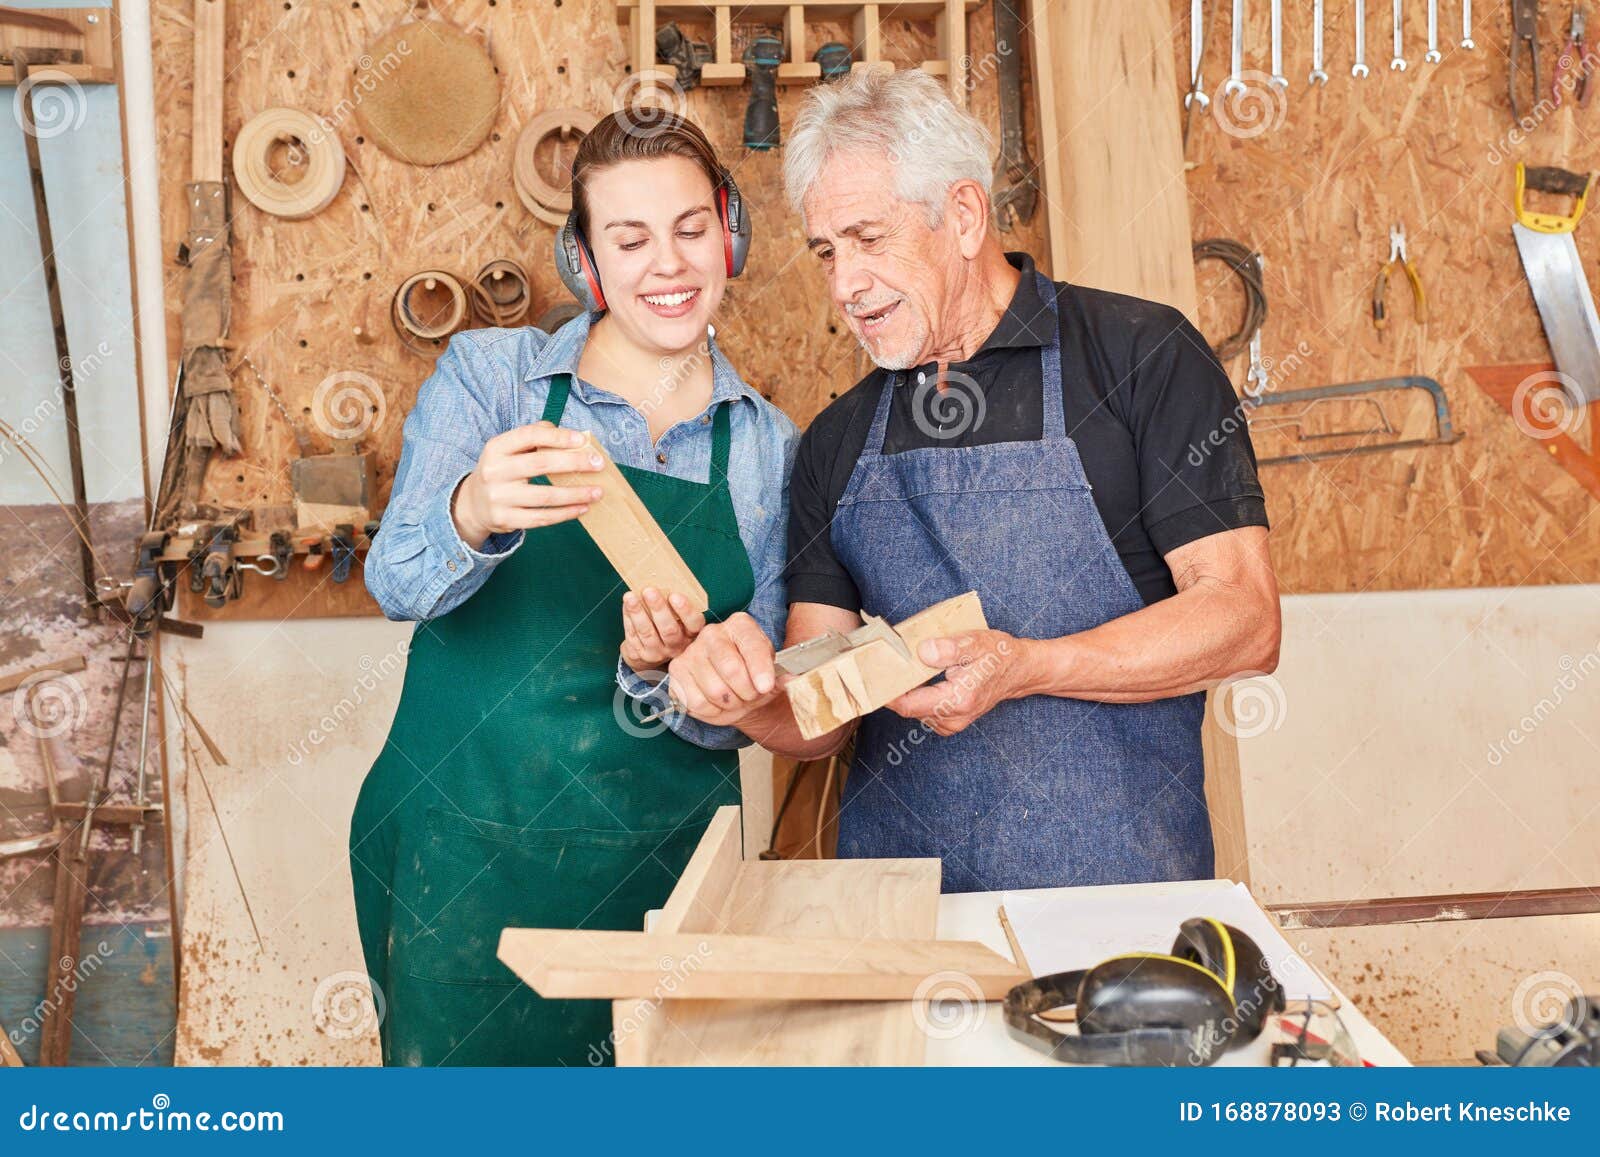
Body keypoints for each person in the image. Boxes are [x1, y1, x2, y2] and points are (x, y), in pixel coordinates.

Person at [660, 69, 1281, 894]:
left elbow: (1245, 620)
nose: (844, 285)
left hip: (1120, 906)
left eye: (868, 238)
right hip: (908, 918)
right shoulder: (838, 440)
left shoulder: (1141, 357)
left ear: (962, 215)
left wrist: (1029, 665)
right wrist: (745, 698)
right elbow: (818, 712)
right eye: (827, 252)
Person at [350, 110, 797, 1066]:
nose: (668, 264)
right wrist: (472, 508)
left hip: (666, 873)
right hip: (462, 864)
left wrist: (671, 674)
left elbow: (751, 705)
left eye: (690, 229)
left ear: (730, 235)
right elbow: (394, 582)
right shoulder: (494, 380)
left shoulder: (766, 446)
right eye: (629, 241)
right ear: (585, 262)